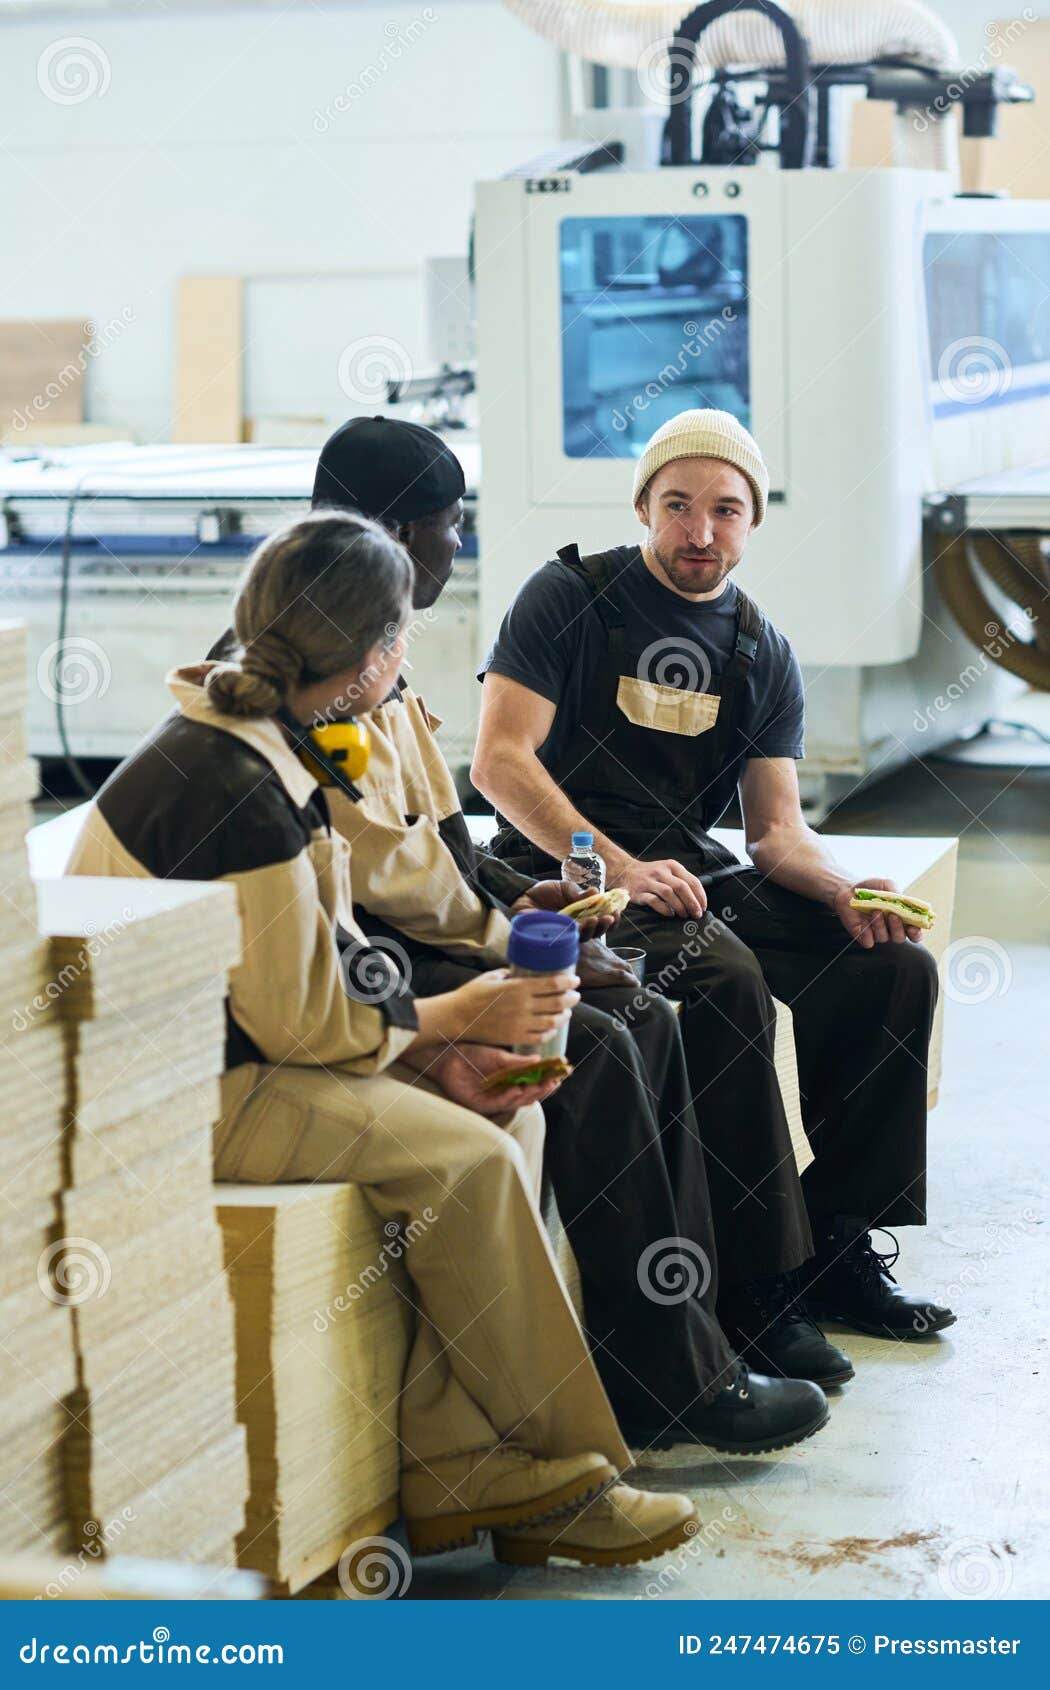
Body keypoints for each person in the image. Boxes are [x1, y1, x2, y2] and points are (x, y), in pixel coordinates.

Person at [64, 509, 699, 1571]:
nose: (405, 658)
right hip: (170, 1091)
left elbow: (321, 969)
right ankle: (565, 1467)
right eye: (398, 636)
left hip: (233, 1057)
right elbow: (302, 1017)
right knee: (465, 1157)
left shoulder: (267, 742)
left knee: (513, 1111)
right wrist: (459, 1018)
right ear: (366, 663)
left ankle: (466, 1466)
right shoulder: (231, 785)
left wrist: (439, 1056)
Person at [302, 415, 829, 1454]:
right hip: (386, 957)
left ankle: (746, 1297)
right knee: (619, 1024)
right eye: (452, 526)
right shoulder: (334, 668)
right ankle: (669, 1368)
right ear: (404, 532)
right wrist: (515, 930)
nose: (461, 547)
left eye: (728, 509)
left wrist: (516, 911)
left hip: (462, 906)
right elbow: (394, 862)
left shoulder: (372, 648)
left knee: (673, 1002)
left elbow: (426, 846)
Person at [471, 408, 956, 1382]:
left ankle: (833, 1247)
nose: (701, 532)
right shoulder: (570, 599)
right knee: (724, 978)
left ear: (752, 521)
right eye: (679, 507)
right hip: (558, 870)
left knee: (891, 970)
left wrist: (842, 884)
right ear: (644, 507)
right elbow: (499, 763)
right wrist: (610, 865)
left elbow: (776, 832)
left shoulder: (758, 651)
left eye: (724, 511)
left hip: (687, 865)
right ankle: (750, 1288)